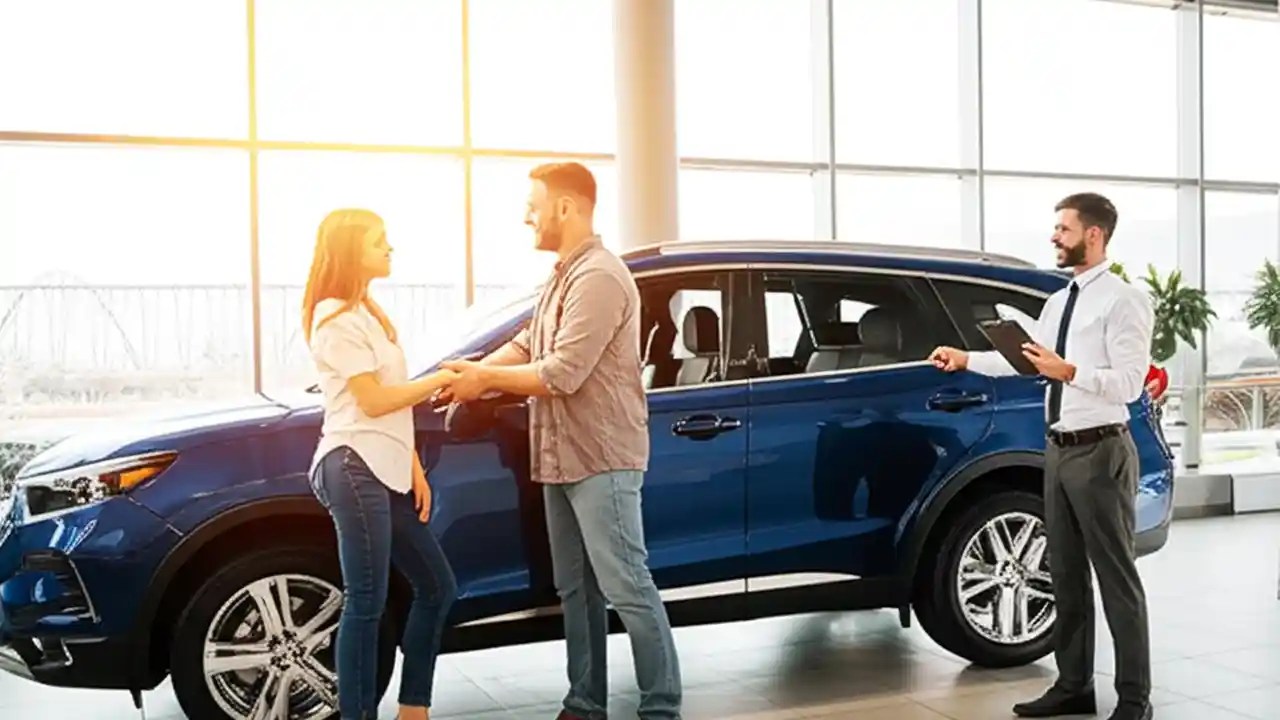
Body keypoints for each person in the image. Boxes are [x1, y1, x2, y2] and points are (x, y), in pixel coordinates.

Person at [439, 162, 682, 720]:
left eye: (534, 203)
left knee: (627, 585)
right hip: (560, 456)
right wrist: (470, 371)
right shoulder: (562, 276)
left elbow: (563, 371)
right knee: (576, 589)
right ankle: (584, 703)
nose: (527, 214)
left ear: (566, 207)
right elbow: (528, 344)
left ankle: (661, 708)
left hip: (601, 459)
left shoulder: (598, 276)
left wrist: (485, 380)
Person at [928, 193, 1155, 720]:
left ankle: (1133, 700)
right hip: (1057, 449)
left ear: (1093, 234)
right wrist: (966, 358)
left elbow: (1128, 384)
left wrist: (1069, 372)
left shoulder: (1124, 301)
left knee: (1116, 581)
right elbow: (1027, 363)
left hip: (1101, 451)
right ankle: (1073, 685)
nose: (1054, 236)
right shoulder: (1060, 301)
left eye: (1063, 228)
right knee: (1066, 577)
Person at [304, 208, 459, 720]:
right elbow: (372, 401)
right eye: (379, 242)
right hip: (352, 465)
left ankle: (413, 707)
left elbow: (389, 404)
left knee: (437, 586)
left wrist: (412, 466)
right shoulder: (335, 318)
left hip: (383, 467)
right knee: (365, 602)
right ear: (351, 252)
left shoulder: (368, 313)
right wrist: (439, 380)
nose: (389, 249)